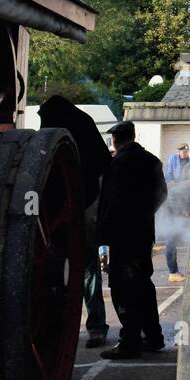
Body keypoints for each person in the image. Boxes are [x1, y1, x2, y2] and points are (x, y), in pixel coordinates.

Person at [38, 95, 112, 349]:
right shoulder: (84, 124)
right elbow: (104, 164)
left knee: (74, 272)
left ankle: (68, 327)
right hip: (78, 206)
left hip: (73, 209)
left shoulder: (56, 128)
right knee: (86, 272)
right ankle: (94, 328)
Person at [98, 120, 168, 359]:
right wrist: (145, 214)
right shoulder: (151, 161)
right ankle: (153, 336)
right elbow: (162, 194)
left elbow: (111, 201)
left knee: (121, 286)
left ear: (116, 139)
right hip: (143, 232)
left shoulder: (118, 163)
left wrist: (103, 232)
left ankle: (129, 341)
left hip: (122, 234)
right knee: (144, 285)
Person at [162, 142, 190, 281]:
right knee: (172, 239)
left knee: (188, 237)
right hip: (175, 206)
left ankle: (187, 270)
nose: (184, 153)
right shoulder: (173, 161)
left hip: (182, 206)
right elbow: (169, 178)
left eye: (186, 151)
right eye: (182, 151)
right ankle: (174, 272)